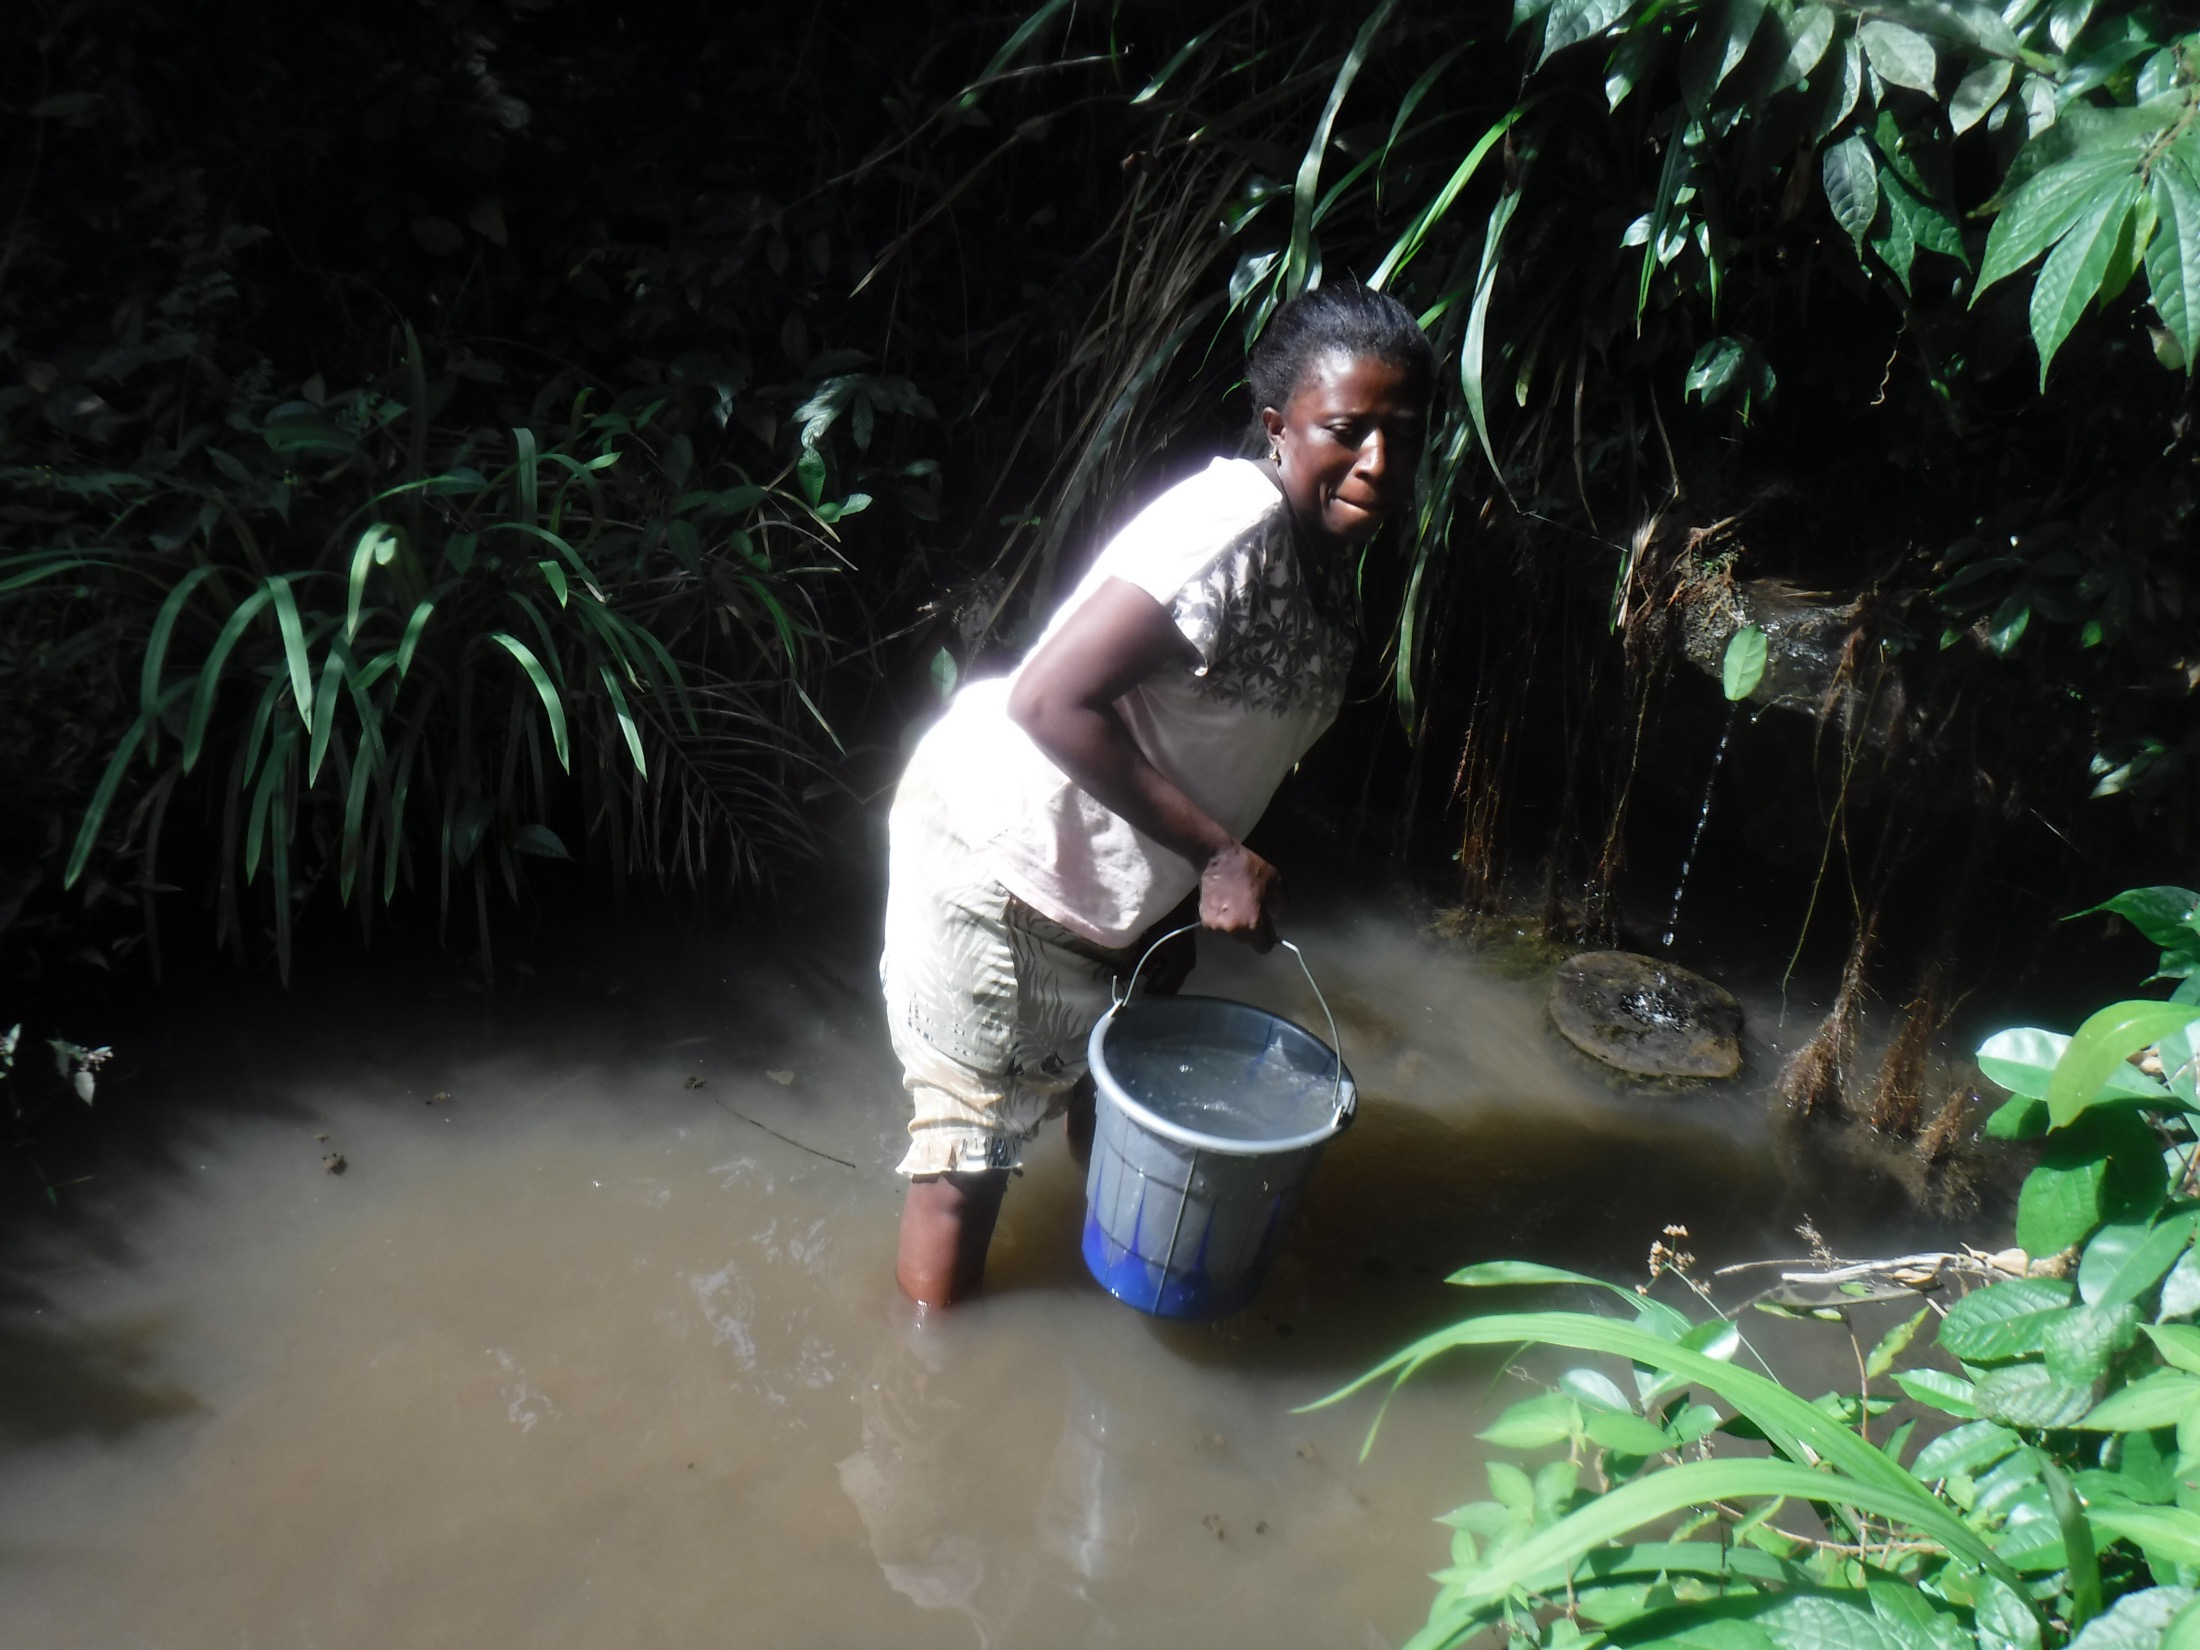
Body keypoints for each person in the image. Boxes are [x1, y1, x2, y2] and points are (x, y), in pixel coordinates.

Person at [880, 282, 1434, 1307]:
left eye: (1401, 438)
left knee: (1113, 1096)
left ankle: (1122, 1295)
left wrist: (1176, 904)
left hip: (1123, 891)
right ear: (1279, 426)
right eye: (1346, 431)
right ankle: (930, 1406)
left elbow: (1219, 737)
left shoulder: (1322, 556)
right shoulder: (1230, 530)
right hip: (999, 861)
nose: (1376, 464)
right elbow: (1051, 700)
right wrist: (1218, 856)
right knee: (966, 1166)